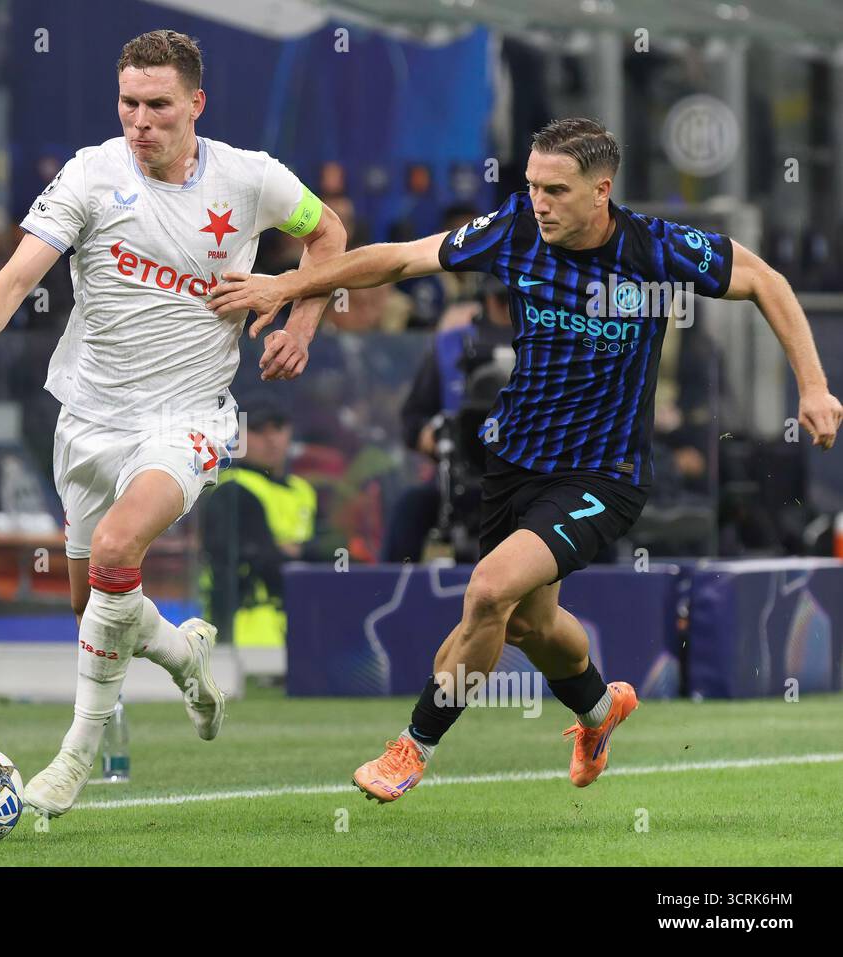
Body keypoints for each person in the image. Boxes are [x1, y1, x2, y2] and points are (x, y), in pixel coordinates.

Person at [209, 117, 843, 802]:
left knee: (487, 590)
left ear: (601, 190)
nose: (538, 201)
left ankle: (410, 748)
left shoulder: (655, 250)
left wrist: (812, 385)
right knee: (530, 625)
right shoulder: (514, 230)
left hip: (603, 476)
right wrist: (287, 287)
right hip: (514, 464)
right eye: (533, 185)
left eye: (556, 190)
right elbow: (398, 258)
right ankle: (601, 711)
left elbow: (768, 282)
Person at [0, 30, 346, 817]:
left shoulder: (251, 179)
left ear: (197, 104)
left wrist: (299, 318)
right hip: (88, 418)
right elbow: (17, 280)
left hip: (188, 417)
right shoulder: (91, 175)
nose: (141, 121)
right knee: (93, 609)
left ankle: (75, 755)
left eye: (158, 105)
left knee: (122, 549)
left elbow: (329, 237)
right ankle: (183, 652)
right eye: (129, 103)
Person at [382, 276, 513, 563]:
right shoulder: (451, 345)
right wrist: (428, 435)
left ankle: (598, 597)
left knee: (585, 512)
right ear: (487, 297)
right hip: (459, 477)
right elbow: (413, 419)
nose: (509, 308)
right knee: (411, 508)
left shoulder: (552, 343)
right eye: (503, 300)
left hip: (530, 477)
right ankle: (392, 596)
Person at [200, 394, 318, 648]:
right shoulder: (231, 489)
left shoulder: (303, 490)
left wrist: (299, 552)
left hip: (302, 622)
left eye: (278, 428)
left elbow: (334, 545)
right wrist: (304, 552)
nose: (271, 439)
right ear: (238, 436)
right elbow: (263, 559)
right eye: (257, 430)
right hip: (246, 628)